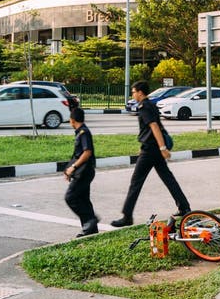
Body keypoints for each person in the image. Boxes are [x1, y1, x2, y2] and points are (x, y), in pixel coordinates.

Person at [111, 80, 191, 227]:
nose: (133, 94)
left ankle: (127, 216)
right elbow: (153, 128)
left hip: (151, 150)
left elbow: (154, 127)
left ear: (140, 92)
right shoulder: (151, 105)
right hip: (151, 149)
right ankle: (184, 207)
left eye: (134, 91)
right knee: (168, 178)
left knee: (136, 182)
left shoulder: (144, 107)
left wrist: (162, 148)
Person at [64, 107, 99, 237]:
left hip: (84, 172)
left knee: (70, 197)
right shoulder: (80, 132)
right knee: (83, 200)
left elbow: (87, 152)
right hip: (84, 172)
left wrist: (73, 167)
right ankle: (91, 231)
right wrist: (69, 170)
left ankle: (90, 221)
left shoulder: (84, 132)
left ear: (72, 120)